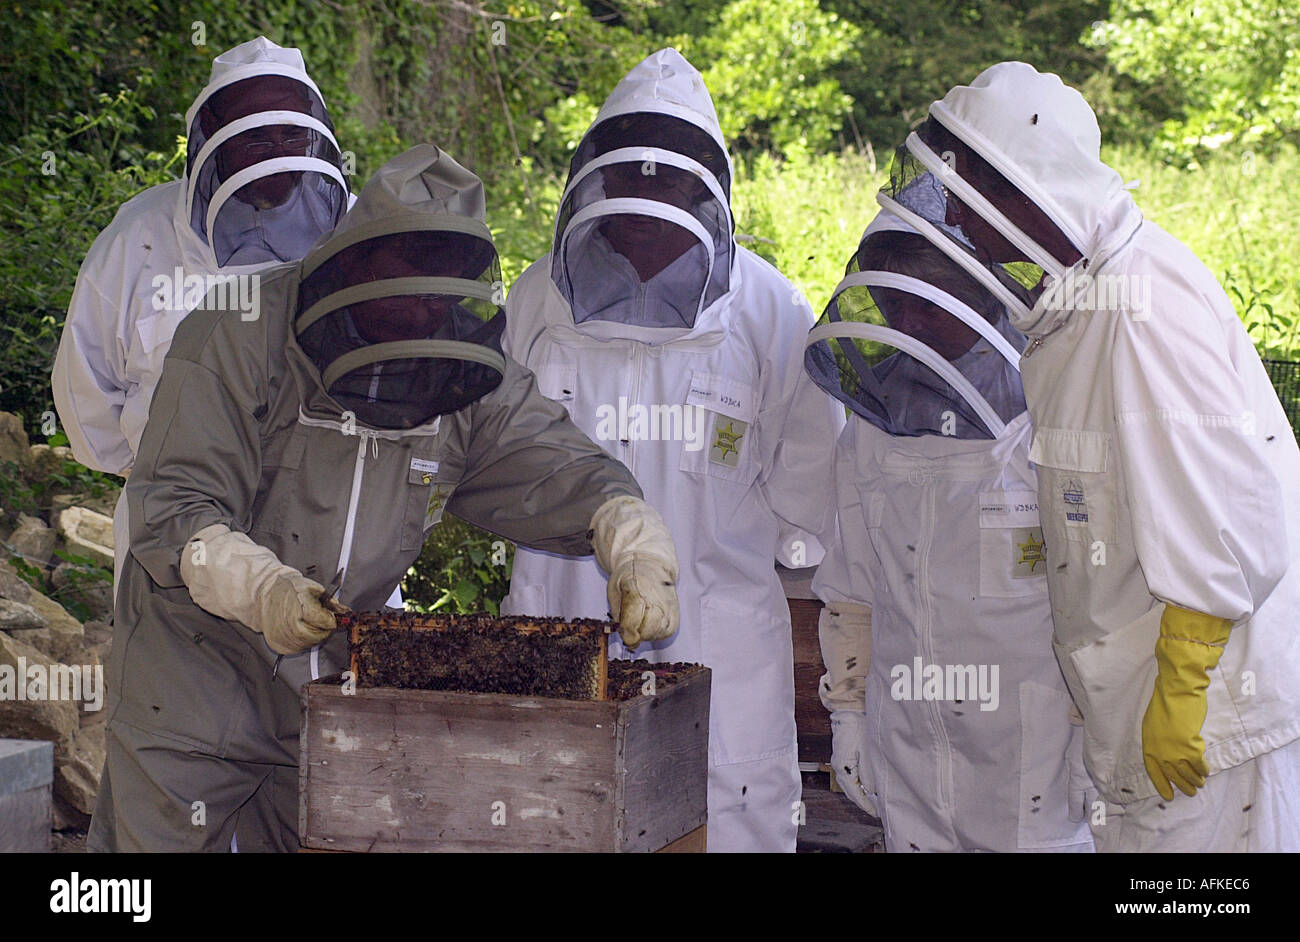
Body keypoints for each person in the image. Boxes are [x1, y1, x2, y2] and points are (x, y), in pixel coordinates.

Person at [87, 144, 679, 852]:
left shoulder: (462, 370)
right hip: (187, 685)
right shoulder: (238, 332)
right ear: (357, 257)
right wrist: (265, 588)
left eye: (445, 282)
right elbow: (175, 505)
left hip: (331, 697)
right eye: (409, 271)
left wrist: (631, 539)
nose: (427, 301)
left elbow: (560, 467)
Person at [885, 61, 1300, 851]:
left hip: (1209, 725)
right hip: (1137, 709)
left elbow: (1230, 510)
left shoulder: (1139, 306)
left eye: (970, 193)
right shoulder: (1080, 306)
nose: (962, 225)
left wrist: (1184, 683)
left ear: (1026, 191)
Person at [500, 48, 843, 852]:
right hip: (560, 633)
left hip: (724, 669)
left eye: (671, 179)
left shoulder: (769, 309)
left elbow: (810, 501)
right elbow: (493, 463)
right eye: (634, 175)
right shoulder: (535, 298)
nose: (650, 196)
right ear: (597, 180)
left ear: (706, 188)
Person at [806, 212, 1095, 851]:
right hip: (908, 749)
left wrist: (1091, 731)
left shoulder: (1055, 414)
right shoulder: (872, 428)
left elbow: (1094, 600)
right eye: (895, 305)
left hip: (1035, 760)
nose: (912, 322)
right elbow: (853, 590)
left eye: (930, 302)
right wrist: (849, 714)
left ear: (982, 293)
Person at [51, 36, 352, 600]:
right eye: (255, 134)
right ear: (214, 140)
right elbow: (85, 389)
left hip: (326, 519)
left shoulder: (357, 235)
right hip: (175, 536)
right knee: (172, 684)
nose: (275, 150)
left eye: (289, 132)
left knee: (334, 680)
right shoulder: (138, 237)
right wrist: (165, 477)